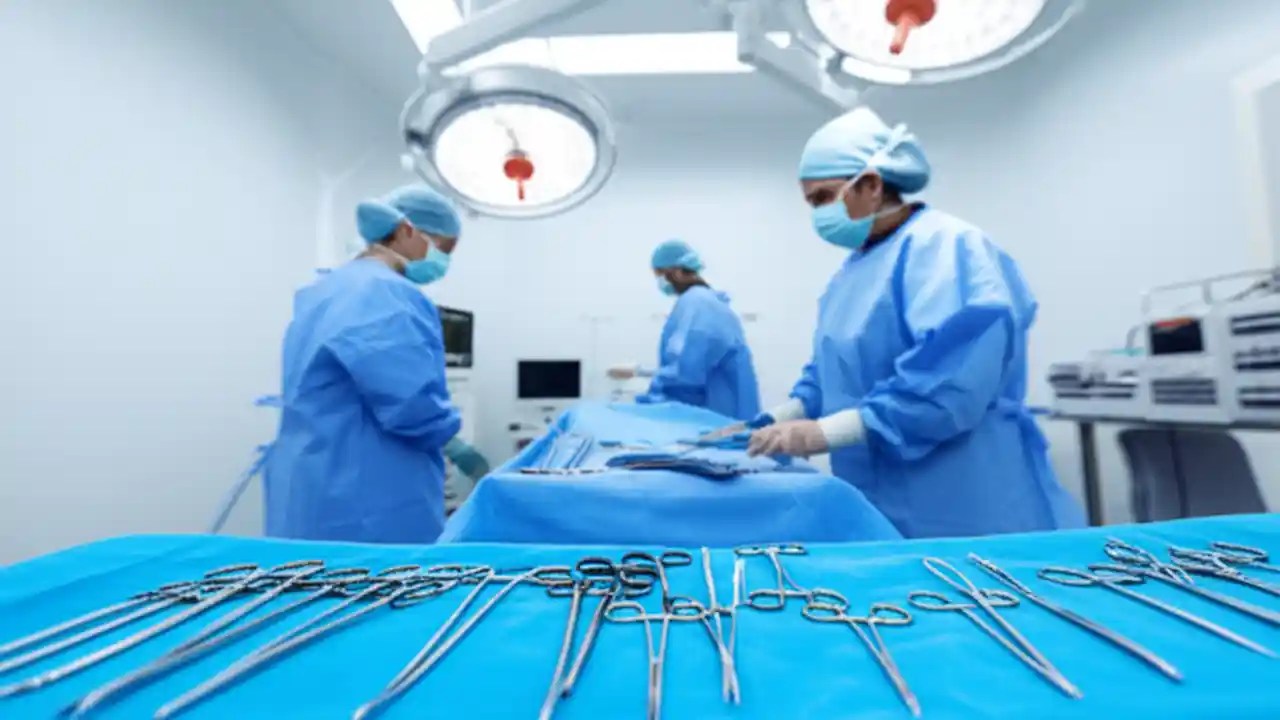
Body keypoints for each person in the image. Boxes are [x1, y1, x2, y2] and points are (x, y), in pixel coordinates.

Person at [739, 107, 1083, 538]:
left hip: (961, 499)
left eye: (823, 198)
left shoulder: (947, 248)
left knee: (970, 597)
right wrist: (782, 416)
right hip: (877, 493)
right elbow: (833, 373)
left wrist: (824, 432)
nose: (817, 214)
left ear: (871, 185)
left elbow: (950, 386)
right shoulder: (852, 273)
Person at [264, 184, 463, 543]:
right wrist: (453, 440)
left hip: (310, 482)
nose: (442, 263)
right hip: (367, 499)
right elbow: (411, 404)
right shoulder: (386, 292)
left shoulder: (322, 291)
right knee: (384, 593)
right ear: (405, 230)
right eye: (443, 249)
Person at [622, 240, 762, 421]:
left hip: (713, 420)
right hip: (726, 414)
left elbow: (687, 375)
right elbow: (692, 362)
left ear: (679, 272)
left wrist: (649, 403)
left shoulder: (697, 305)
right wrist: (640, 371)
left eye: (661, 275)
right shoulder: (708, 303)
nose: (661, 283)